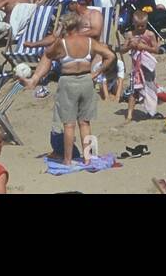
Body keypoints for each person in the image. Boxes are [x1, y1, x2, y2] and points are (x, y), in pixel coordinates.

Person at [23, 12, 116, 166]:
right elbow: (110, 56)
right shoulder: (90, 42)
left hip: (68, 81)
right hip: (87, 80)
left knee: (69, 124)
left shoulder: (62, 43)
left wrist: (35, 78)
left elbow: (47, 56)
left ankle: (67, 160)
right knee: (85, 123)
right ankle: (87, 158)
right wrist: (97, 72)